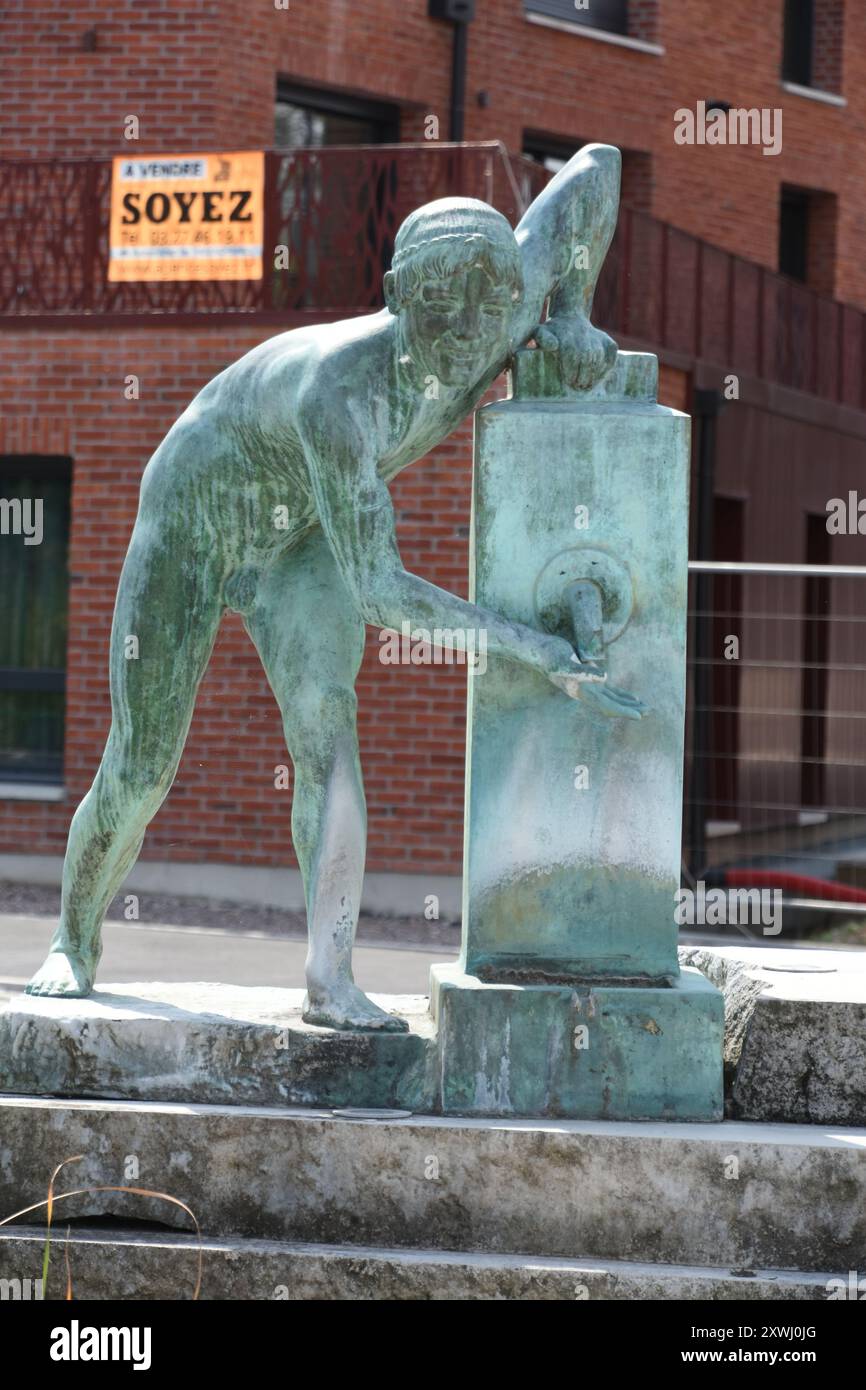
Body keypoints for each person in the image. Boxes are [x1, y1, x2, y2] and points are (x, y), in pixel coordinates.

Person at [26, 143, 644, 1027]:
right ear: (398, 299)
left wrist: (573, 313)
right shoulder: (338, 395)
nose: (471, 325)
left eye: (491, 298)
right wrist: (536, 649)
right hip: (198, 521)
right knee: (142, 764)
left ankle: (331, 978)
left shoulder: (503, 297)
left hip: (304, 533)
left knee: (326, 729)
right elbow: (383, 593)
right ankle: (73, 940)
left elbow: (596, 169)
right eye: (441, 304)